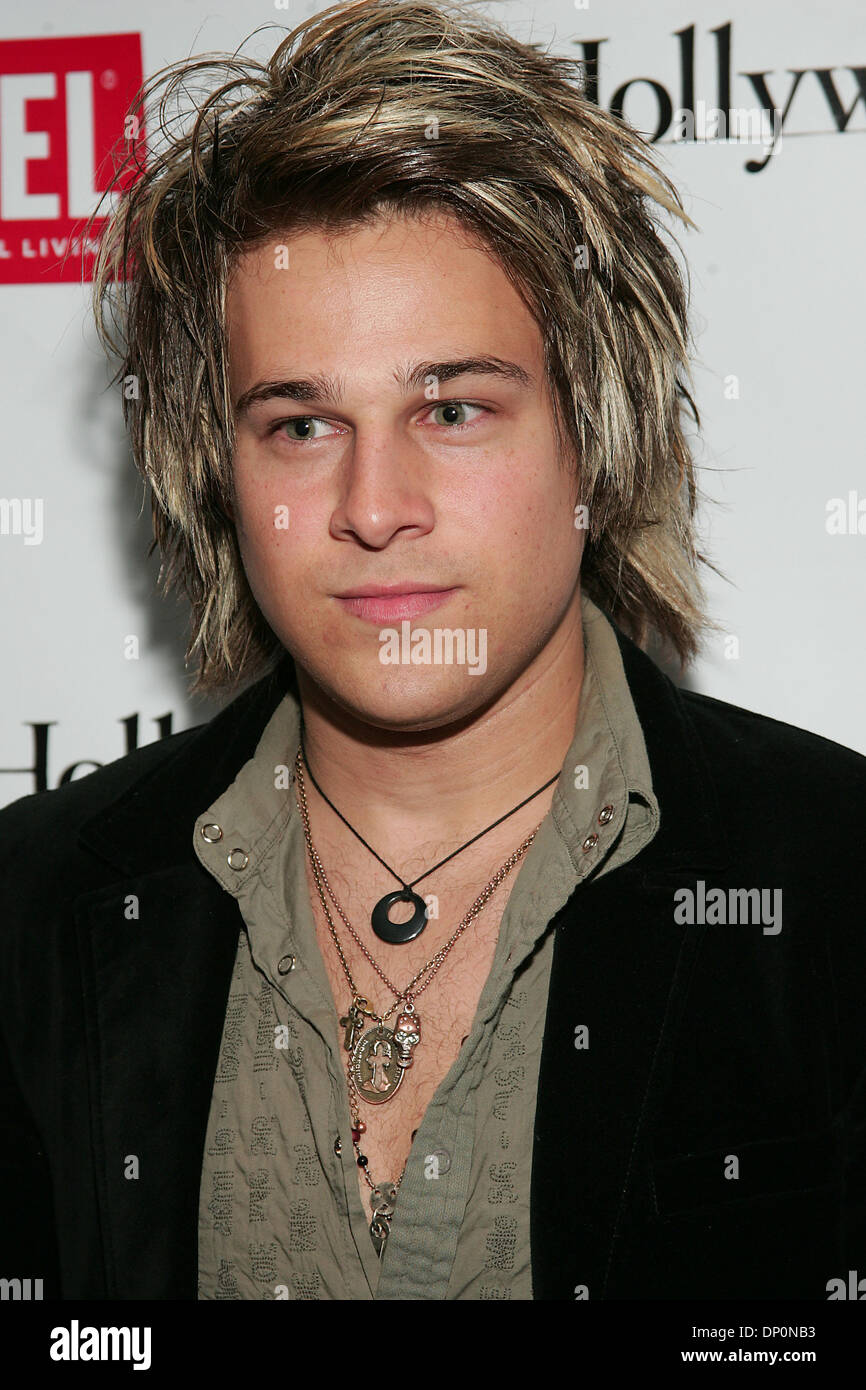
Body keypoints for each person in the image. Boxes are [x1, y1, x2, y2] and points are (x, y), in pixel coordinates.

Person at [1, 0, 864, 1302]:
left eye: (451, 407)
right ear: (214, 469)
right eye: (298, 424)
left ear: (595, 425)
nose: (373, 502)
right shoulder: (34, 911)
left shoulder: (835, 883)